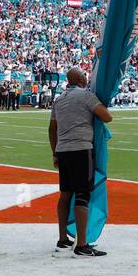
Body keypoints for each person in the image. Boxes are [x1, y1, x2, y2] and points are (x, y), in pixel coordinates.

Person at [48, 67, 112, 258]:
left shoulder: (59, 100)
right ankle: (82, 244)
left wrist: (55, 153)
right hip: (81, 149)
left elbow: (51, 129)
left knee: (65, 195)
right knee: (83, 194)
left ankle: (62, 239)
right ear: (81, 80)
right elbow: (107, 117)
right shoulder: (86, 96)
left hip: (63, 150)